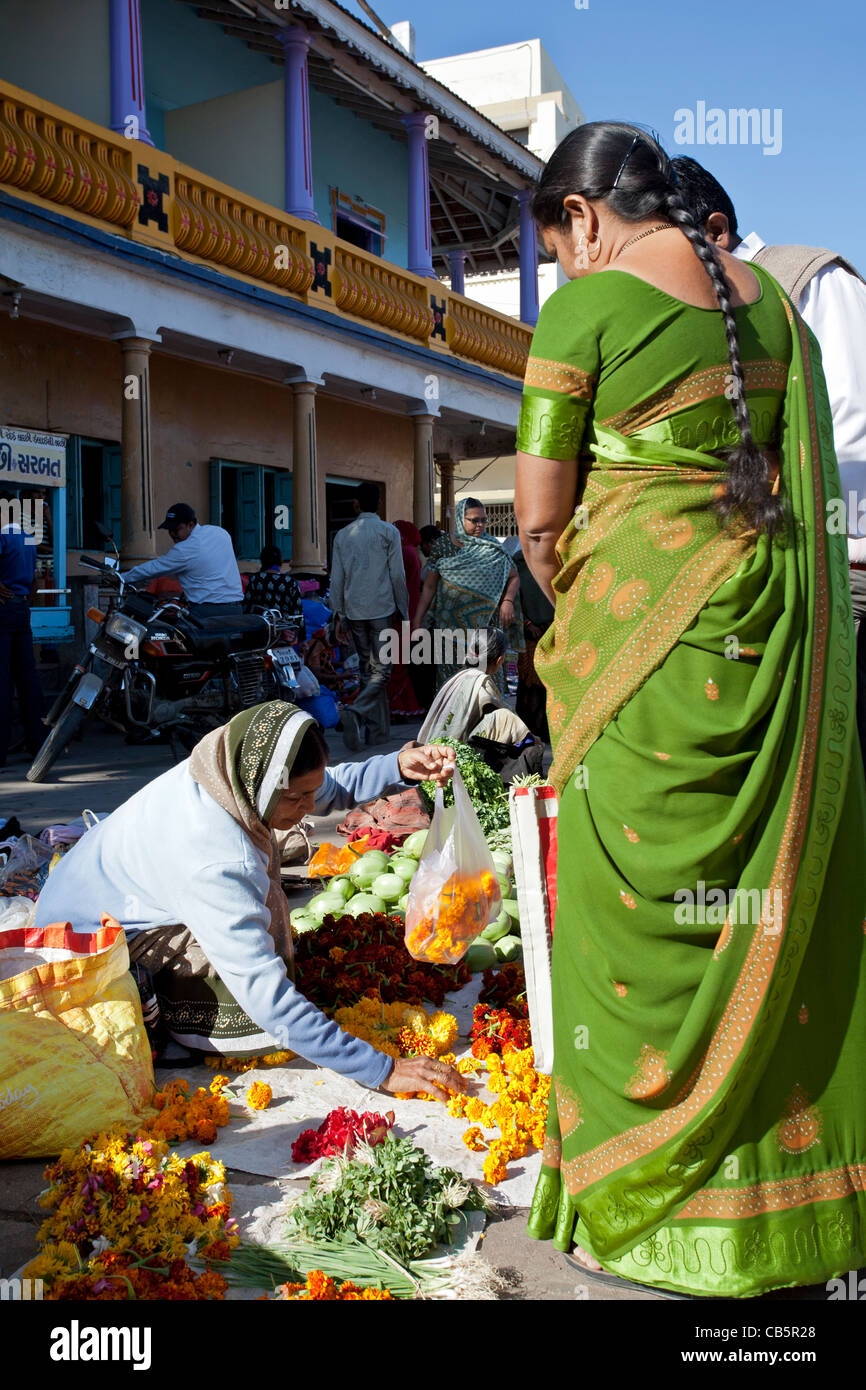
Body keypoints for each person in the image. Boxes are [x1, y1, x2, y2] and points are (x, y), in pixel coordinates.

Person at [514, 121, 866, 1298]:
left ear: (580, 217)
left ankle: (641, 1201)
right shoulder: (769, 302)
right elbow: (790, 487)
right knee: (765, 908)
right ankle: (771, 1212)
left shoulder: (584, 310)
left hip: (641, 657)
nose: (566, 267)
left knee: (631, 920)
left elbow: (534, 523)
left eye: (559, 244)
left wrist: (603, 613)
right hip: (760, 636)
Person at [34, 700, 465, 1096]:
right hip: (80, 954)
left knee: (262, 917)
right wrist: (381, 1070)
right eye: (295, 798)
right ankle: (163, 1023)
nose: (308, 807)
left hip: (96, 902)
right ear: (261, 785)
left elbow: (325, 786)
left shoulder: (226, 771)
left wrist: (397, 765)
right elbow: (268, 999)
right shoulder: (218, 859)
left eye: (308, 794)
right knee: (243, 1001)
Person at [672, 156, 866, 771]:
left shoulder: (809, 278)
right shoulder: (708, 312)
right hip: (778, 576)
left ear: (717, 232)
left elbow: (853, 429)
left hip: (846, 573)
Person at [413, 498, 524, 695]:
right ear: (459, 519)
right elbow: (429, 586)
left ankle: (487, 721)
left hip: (485, 625)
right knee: (452, 681)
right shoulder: (443, 547)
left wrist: (508, 601)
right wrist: (417, 620)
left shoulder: (492, 547)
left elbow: (514, 576)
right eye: (474, 520)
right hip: (449, 628)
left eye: (483, 520)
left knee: (485, 677)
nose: (480, 525)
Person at [328, 482, 409, 750]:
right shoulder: (388, 532)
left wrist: (337, 614)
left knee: (368, 672)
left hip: (354, 610)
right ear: (379, 504)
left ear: (355, 504)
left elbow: (336, 579)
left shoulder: (343, 535)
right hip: (382, 609)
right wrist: (405, 609)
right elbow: (397, 574)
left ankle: (378, 736)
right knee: (382, 673)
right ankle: (356, 711)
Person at [123, 503, 243, 619]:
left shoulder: (184, 549)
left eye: (176, 529)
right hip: (236, 609)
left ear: (190, 525)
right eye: (169, 530)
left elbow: (153, 568)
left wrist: (122, 577)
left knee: (167, 633)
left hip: (206, 612)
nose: (172, 534)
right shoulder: (220, 532)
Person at [0, 492, 46, 768]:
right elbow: (36, 581)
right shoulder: (27, 537)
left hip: (4, 611)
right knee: (28, 679)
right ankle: (37, 743)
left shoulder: (3, 536)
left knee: (3, 680)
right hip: (21, 611)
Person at [503, 535, 554, 741]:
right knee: (530, 684)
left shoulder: (554, 561)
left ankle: (549, 729)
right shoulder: (518, 565)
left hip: (554, 630)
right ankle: (528, 730)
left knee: (550, 681)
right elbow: (513, 600)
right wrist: (527, 625)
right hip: (530, 634)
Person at [387, 520, 424, 720]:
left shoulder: (402, 553)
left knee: (397, 663)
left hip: (400, 615)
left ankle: (398, 706)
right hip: (409, 613)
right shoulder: (412, 553)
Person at [243, 544, 305, 644]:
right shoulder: (290, 582)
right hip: (286, 634)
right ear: (280, 561)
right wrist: (302, 639)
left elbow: (247, 608)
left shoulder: (254, 579)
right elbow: (298, 612)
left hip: (261, 634)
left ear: (262, 560)